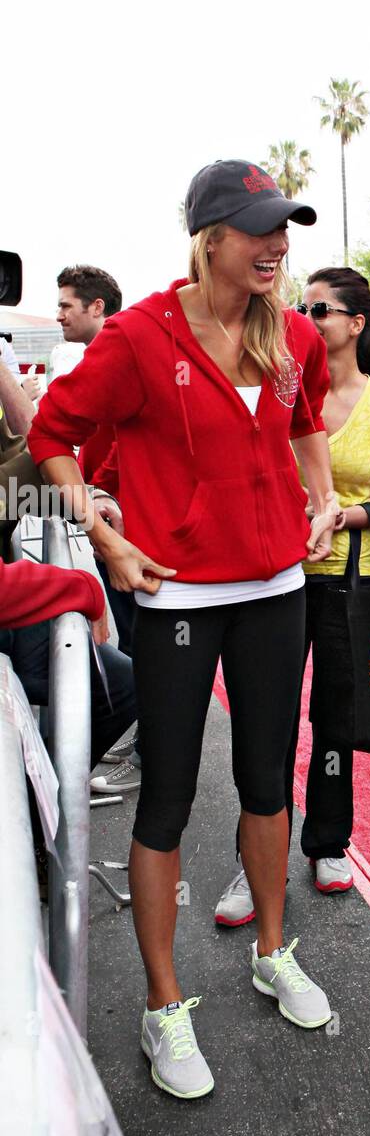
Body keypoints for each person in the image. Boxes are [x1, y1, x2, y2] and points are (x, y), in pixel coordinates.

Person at [29, 158, 342, 1100]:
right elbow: (52, 435)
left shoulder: (292, 334)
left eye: (285, 227)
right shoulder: (135, 337)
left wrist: (322, 497)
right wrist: (105, 539)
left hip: (278, 585)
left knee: (264, 774)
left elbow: (307, 422)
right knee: (165, 793)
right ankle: (163, 1006)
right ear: (209, 238)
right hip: (174, 591)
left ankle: (274, 952)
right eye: (258, 228)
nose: (277, 245)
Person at [214, 267, 370, 928]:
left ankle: (328, 842)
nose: (306, 316)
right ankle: (254, 858)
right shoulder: (277, 386)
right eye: (302, 306)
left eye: (320, 309)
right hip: (271, 579)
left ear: (355, 323)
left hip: (352, 578)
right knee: (265, 723)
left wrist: (334, 516)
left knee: (336, 719)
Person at [47, 265, 141, 791]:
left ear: (97, 307)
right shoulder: (102, 359)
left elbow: (128, 444)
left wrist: (101, 495)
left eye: (66, 305)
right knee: (133, 637)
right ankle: (146, 740)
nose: (59, 314)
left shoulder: (123, 358)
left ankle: (153, 753)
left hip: (124, 518)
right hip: (110, 513)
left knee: (141, 642)